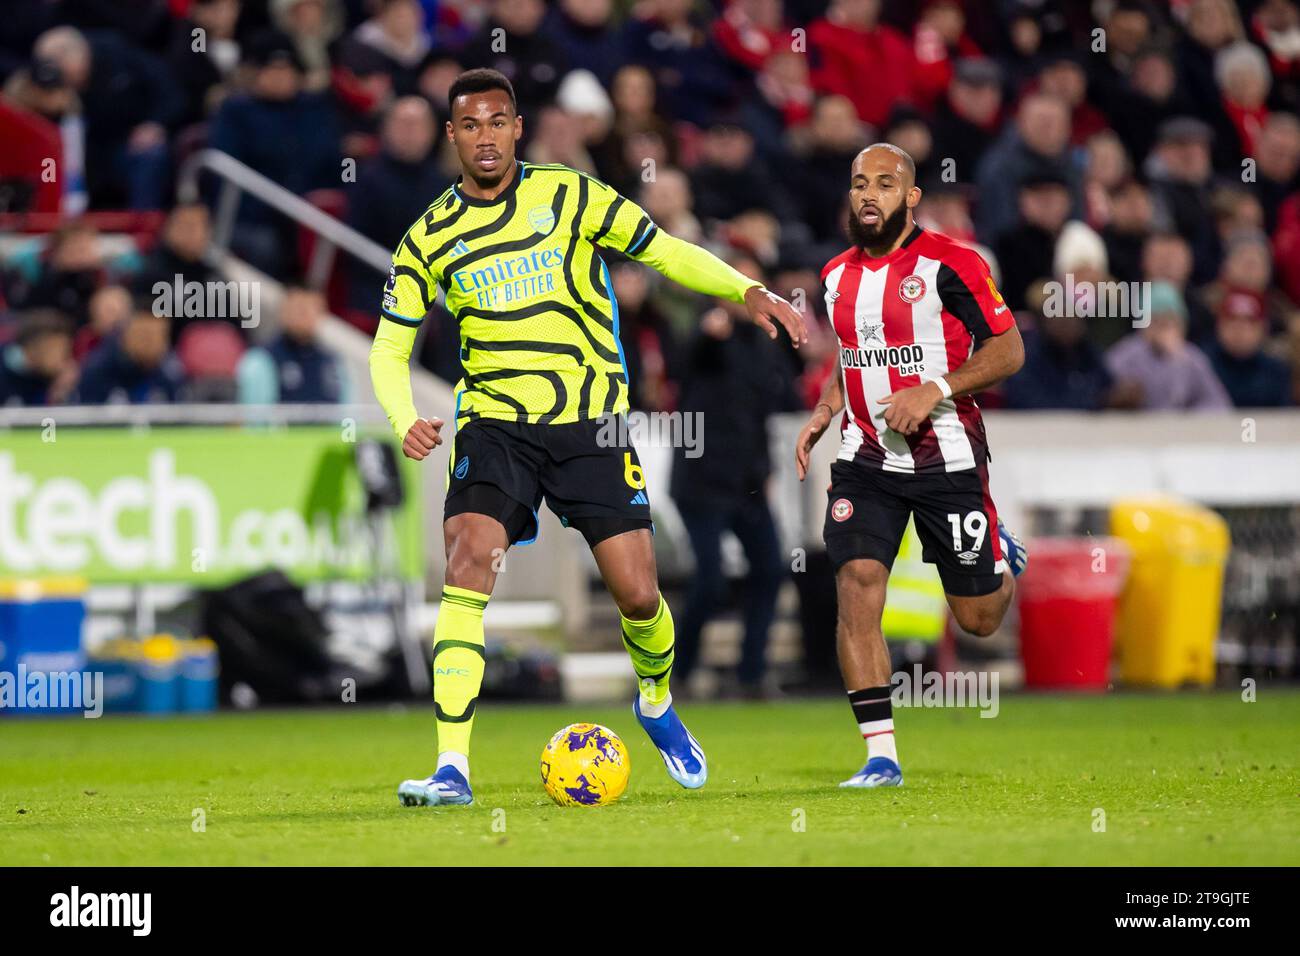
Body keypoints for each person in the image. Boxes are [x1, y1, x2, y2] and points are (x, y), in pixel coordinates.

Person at [370, 69, 805, 807]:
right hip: (495, 422)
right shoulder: (428, 238)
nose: (484, 136)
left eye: (497, 121)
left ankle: (657, 701)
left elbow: (662, 249)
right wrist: (402, 417)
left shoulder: (569, 193)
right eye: (469, 124)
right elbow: (387, 347)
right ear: (452, 136)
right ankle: (452, 767)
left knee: (638, 594)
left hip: (590, 421)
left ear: (516, 128)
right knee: (469, 558)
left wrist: (746, 289)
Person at [794, 144, 1028, 789]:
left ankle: (1000, 553)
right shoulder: (836, 274)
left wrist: (938, 388)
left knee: (978, 619)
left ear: (912, 196)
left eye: (886, 184)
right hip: (863, 457)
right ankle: (881, 756)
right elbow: (854, 350)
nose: (869, 195)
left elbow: (1009, 350)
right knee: (858, 580)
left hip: (945, 454)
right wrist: (828, 403)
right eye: (859, 184)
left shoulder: (953, 264)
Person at [670, 256, 800, 699]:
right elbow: (679, 370)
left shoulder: (764, 345)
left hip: (747, 483)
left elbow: (763, 416)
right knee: (710, 581)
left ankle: (751, 673)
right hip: (701, 482)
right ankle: (678, 673)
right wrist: (706, 336)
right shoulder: (707, 334)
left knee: (769, 569)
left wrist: (765, 473)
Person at [238, 283, 348, 403]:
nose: (301, 316)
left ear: (322, 313)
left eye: (307, 310)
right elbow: (254, 417)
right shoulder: (260, 359)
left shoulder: (334, 364)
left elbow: (349, 416)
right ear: (283, 310)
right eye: (296, 308)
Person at [75, 299, 184, 404]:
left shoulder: (171, 375)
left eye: (159, 335)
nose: (150, 344)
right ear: (126, 334)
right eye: (144, 335)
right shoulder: (98, 371)